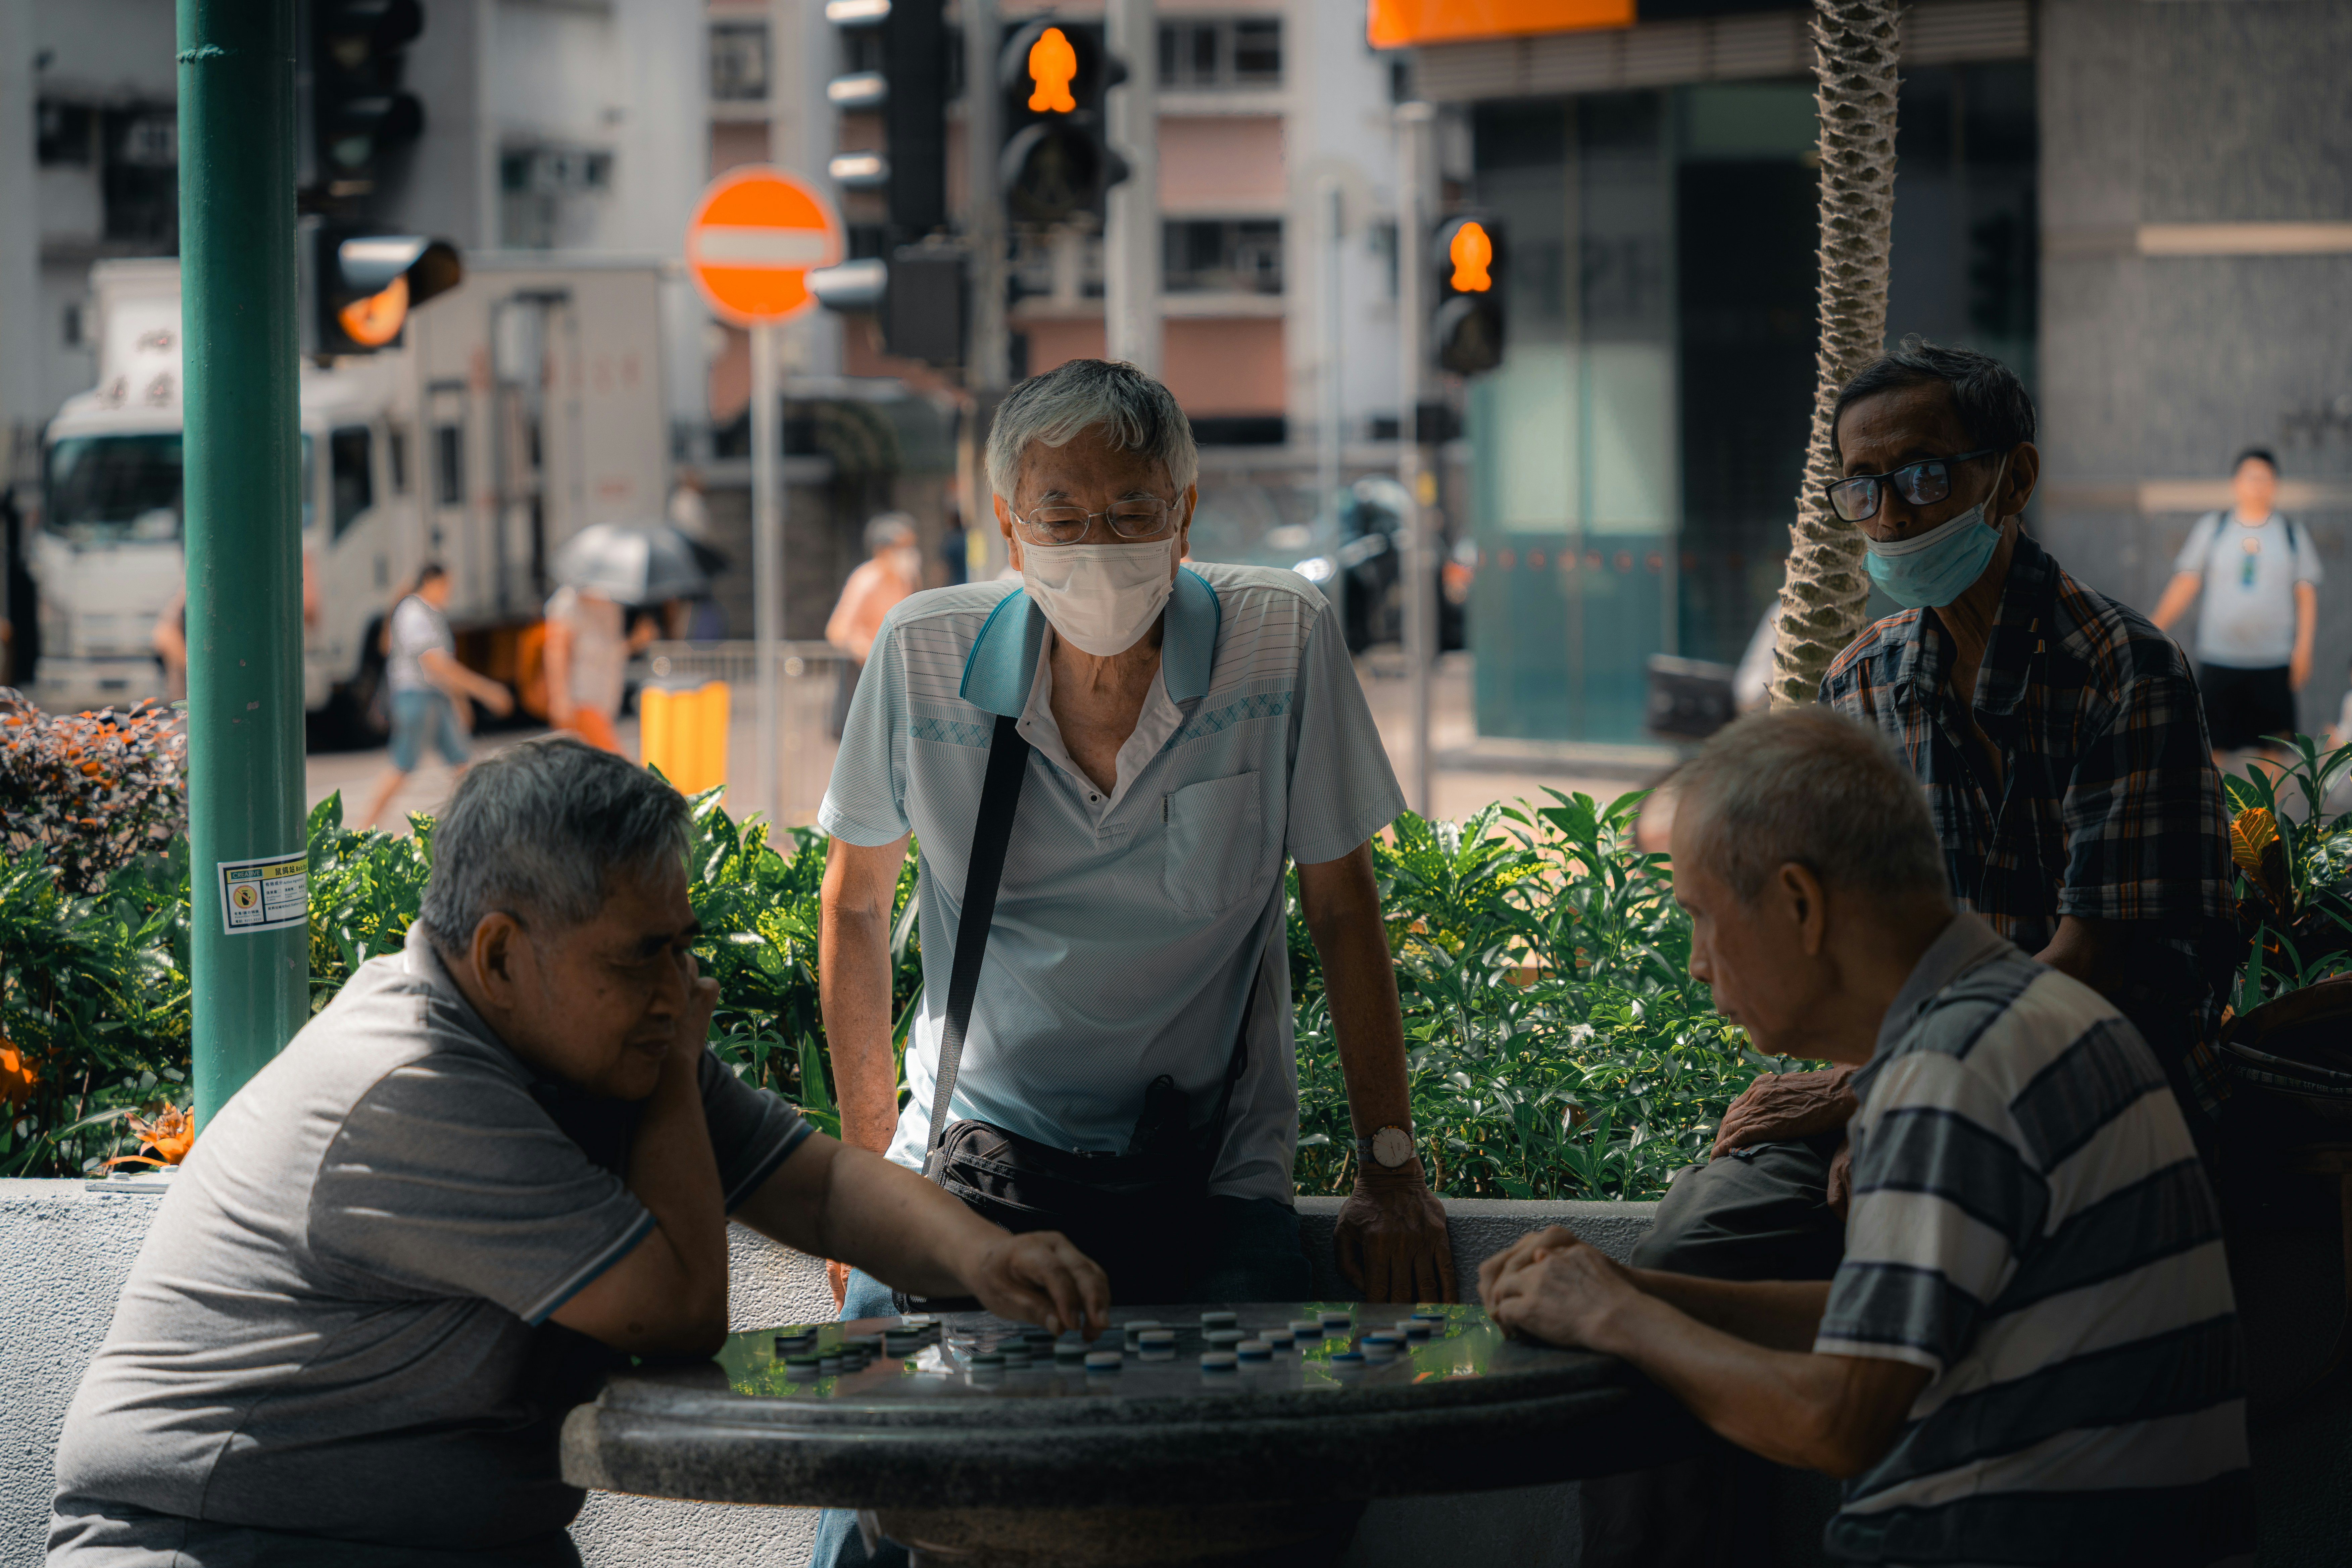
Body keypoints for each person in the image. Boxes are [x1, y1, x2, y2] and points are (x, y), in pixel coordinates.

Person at [49, 739, 1109, 1568]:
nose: (676, 987)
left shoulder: (590, 1040)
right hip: (216, 1541)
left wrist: (980, 1259)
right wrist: (677, 1075)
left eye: (683, 944)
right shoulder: (413, 1079)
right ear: (501, 954)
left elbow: (819, 1184)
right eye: (640, 958)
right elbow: (677, 1314)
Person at [811, 360, 1453, 1563]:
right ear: (1009, 521)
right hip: (975, 1150)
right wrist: (864, 1176)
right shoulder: (922, 650)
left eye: (1130, 511)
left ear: (1186, 511)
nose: (1097, 544)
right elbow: (854, 910)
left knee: (1285, 1475)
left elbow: (1344, 909)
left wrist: (1391, 1164)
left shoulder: (1280, 636)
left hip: (1209, 1160)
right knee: (868, 1459)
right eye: (1063, 514)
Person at [1486, 707, 2254, 1568]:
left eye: (1702, 915)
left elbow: (1839, 1419)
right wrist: (1633, 1289)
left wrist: (1618, 1316)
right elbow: (1880, 1324)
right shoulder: (2033, 1017)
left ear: (1800, 903)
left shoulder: (1950, 1070)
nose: (1699, 963)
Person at [2152, 446, 2320, 766]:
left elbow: (2306, 594)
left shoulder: (2290, 533)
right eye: (2250, 477)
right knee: (2210, 750)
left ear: (2275, 484)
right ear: (2236, 483)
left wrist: (2304, 648)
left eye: (2265, 478)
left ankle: (2264, 819)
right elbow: (2186, 582)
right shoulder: (2213, 528)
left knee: (2274, 754)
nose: (2257, 485)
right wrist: (2152, 626)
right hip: (2220, 657)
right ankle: (2218, 817)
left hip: (2273, 660)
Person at [357, 564, 514, 831]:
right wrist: (485, 691)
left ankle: (478, 824)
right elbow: (436, 664)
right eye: (446, 587)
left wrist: (459, 701)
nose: (448, 593)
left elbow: (442, 667)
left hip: (434, 697)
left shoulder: (429, 612)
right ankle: (363, 827)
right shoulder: (414, 612)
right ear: (432, 582)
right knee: (403, 764)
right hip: (417, 698)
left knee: (461, 761)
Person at [824, 511, 922, 739]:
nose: (908, 553)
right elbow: (838, 630)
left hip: (894, 672)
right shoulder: (866, 580)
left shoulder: (906, 577)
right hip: (864, 674)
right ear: (882, 550)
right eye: (901, 547)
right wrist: (872, 652)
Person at [542, 580, 641, 756]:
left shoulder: (611, 601)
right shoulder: (567, 601)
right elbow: (557, 649)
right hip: (581, 696)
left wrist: (636, 642)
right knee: (613, 759)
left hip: (605, 697)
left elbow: (611, 650)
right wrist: (560, 697)